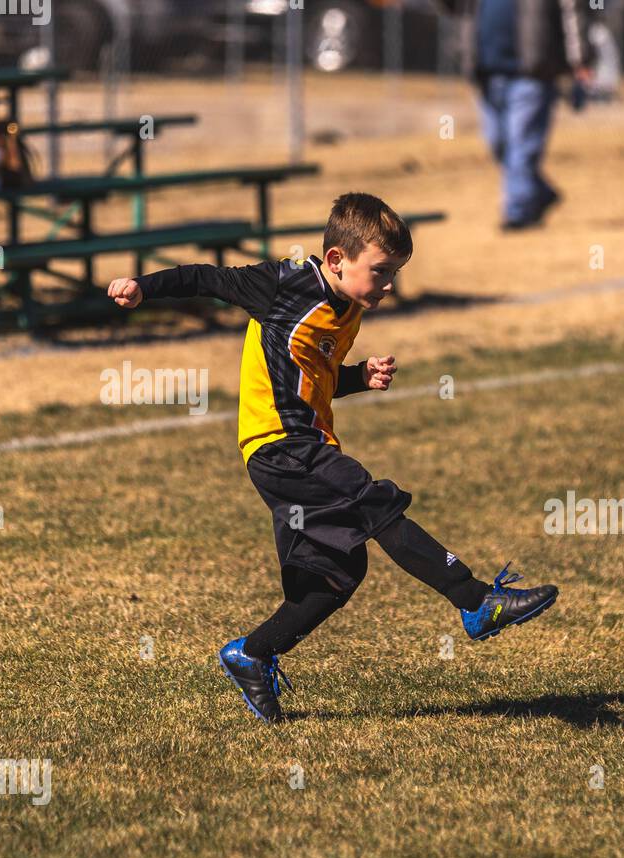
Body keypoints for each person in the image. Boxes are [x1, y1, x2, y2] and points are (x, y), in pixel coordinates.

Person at [106, 192, 558, 723]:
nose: (389, 285)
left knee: (337, 573)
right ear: (337, 260)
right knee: (375, 505)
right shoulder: (286, 283)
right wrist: (144, 288)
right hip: (281, 444)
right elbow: (207, 278)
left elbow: (309, 375)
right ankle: (476, 601)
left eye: (395, 273)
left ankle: (252, 653)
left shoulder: (349, 308)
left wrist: (356, 378)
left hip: (304, 444)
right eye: (381, 271)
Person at [438, 0, 592, 230]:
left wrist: (580, 60)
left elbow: (571, 10)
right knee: (498, 143)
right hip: (488, 71)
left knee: (522, 145)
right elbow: (455, 7)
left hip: (533, 71)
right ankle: (538, 192)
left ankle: (519, 214)